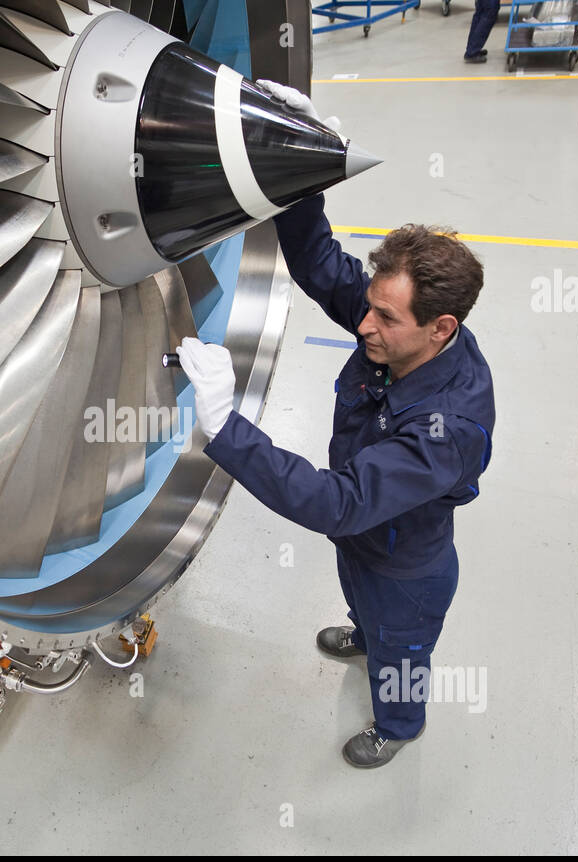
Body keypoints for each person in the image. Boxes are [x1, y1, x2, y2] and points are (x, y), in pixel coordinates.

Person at [176, 85, 496, 769]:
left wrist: (225, 425)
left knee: (400, 649)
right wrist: (301, 167)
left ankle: (399, 723)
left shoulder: (450, 425)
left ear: (441, 328)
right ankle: (364, 630)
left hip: (406, 567)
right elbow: (321, 267)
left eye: (383, 318)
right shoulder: (400, 324)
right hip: (366, 545)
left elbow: (337, 500)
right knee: (362, 599)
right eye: (371, 306)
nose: (362, 324)